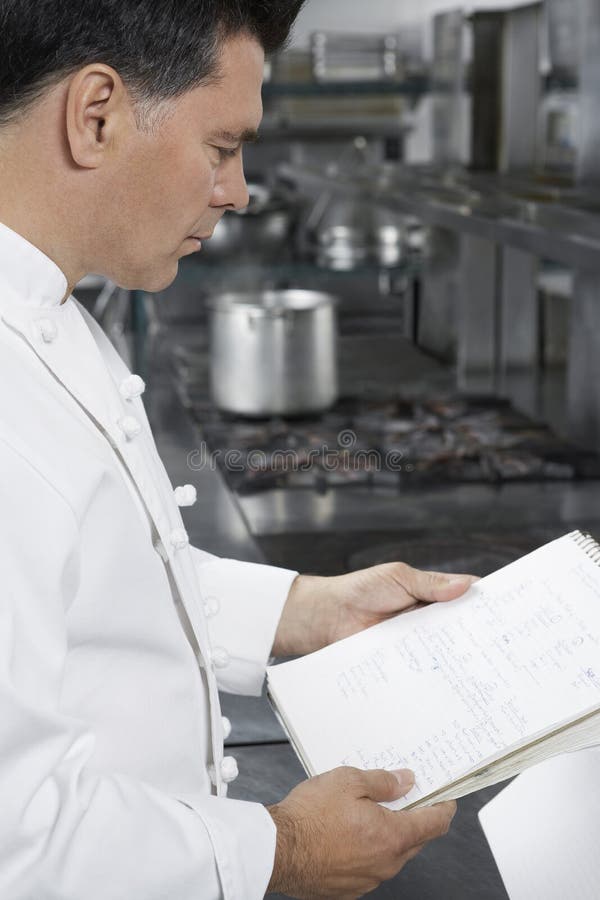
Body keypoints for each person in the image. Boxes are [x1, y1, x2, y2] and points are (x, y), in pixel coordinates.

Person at [0, 2, 475, 897]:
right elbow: (17, 841)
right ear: (94, 114)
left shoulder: (53, 308)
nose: (239, 191)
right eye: (222, 148)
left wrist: (307, 609)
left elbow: (89, 582)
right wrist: (282, 851)